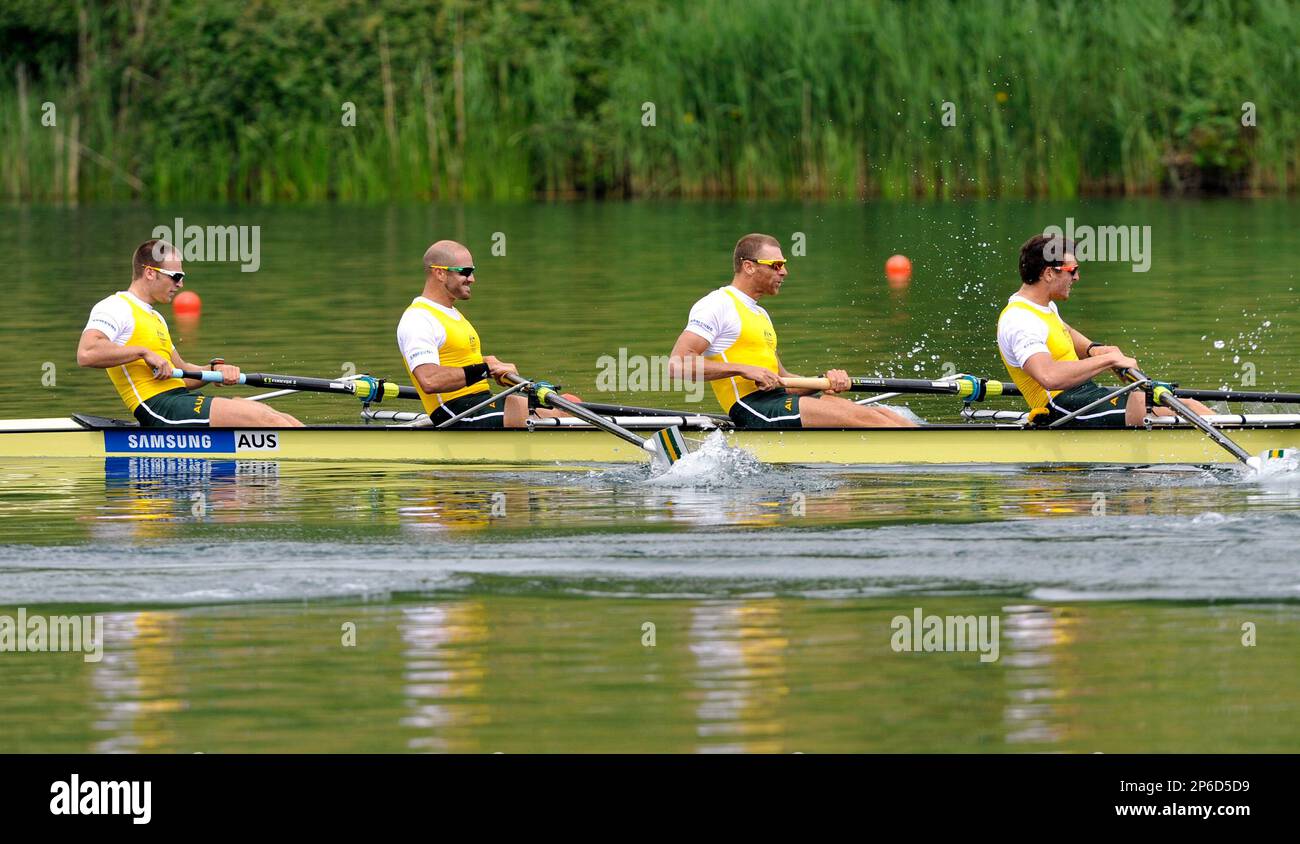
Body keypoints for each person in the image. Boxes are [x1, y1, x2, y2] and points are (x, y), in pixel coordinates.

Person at [668, 233, 915, 429]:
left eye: (783, 265)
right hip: (752, 408)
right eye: (775, 265)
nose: (784, 272)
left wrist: (823, 381)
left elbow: (784, 381)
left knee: (886, 415)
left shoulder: (759, 314)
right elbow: (677, 366)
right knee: (870, 420)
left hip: (778, 401)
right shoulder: (717, 304)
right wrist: (743, 369)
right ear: (749, 267)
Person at [77, 240, 302, 427]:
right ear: (149, 273)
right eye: (175, 276)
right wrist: (143, 352)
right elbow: (86, 353)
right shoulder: (116, 306)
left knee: (277, 416)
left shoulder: (156, 318)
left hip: (180, 401)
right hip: (157, 407)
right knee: (266, 420)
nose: (181, 284)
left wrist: (212, 369)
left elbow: (182, 373)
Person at [997, 233, 1212, 426]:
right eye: (1073, 271)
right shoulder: (1020, 320)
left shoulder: (1043, 307)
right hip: (1061, 409)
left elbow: (1066, 332)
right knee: (1162, 406)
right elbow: (1049, 376)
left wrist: (1094, 349)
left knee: (1187, 405)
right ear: (1049, 273)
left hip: (1083, 395)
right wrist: (1109, 361)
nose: (1077, 278)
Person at [397, 240, 572, 428]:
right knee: (543, 410)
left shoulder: (452, 314)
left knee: (570, 401)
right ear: (439, 272)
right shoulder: (418, 318)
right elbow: (429, 380)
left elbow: (459, 362)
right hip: (455, 413)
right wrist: (485, 369)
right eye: (465, 271)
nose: (472, 279)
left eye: (472, 271)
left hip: (480, 403)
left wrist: (494, 367)